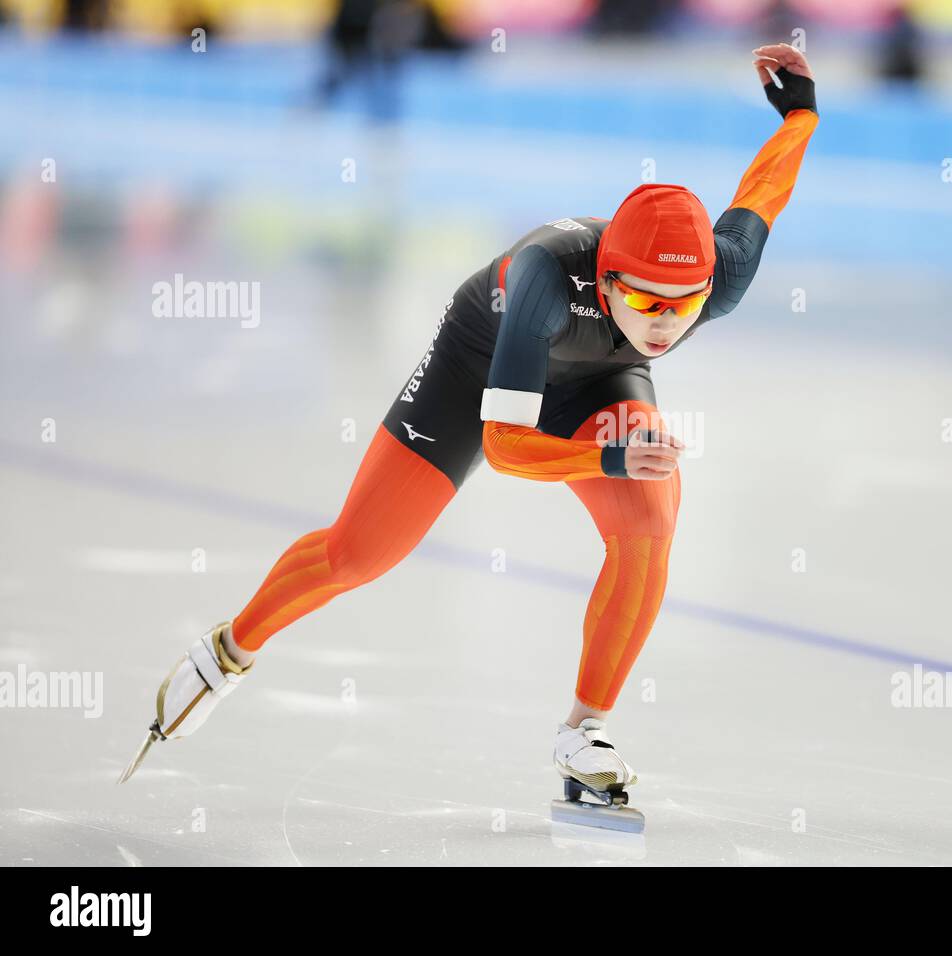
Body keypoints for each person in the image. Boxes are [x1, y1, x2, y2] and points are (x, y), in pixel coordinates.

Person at [121, 43, 819, 800]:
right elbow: (507, 447)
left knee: (652, 518)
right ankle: (229, 651)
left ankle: (584, 731)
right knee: (359, 554)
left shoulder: (718, 275)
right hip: (477, 368)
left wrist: (801, 113)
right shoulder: (548, 279)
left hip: (600, 379)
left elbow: (764, 191)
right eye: (647, 302)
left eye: (685, 307)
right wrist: (608, 460)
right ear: (607, 279)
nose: (666, 323)